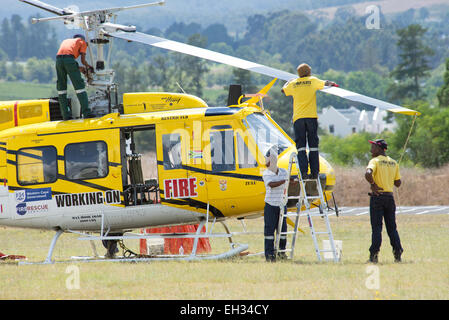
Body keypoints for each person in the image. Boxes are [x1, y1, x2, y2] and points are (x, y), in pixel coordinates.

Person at [282, 63, 337, 179]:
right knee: (313, 146)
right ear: (309, 72)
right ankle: (315, 172)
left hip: (298, 119)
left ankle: (303, 172)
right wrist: (333, 84)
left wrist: (289, 81)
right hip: (311, 117)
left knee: (301, 147)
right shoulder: (312, 80)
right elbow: (325, 83)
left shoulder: (294, 83)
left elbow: (283, 90)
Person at [365, 139, 403, 263]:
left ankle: (374, 256)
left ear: (380, 149)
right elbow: (398, 183)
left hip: (377, 197)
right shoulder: (394, 162)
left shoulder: (374, 161)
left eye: (373, 147)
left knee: (376, 228)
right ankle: (398, 253)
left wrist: (373, 184)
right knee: (392, 228)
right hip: (389, 198)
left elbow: (368, 173)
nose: (371, 150)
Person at [56, 34, 94, 120]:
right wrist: (89, 67)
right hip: (69, 60)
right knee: (79, 87)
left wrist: (78, 68)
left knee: (61, 89)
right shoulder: (82, 42)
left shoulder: (66, 41)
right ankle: (86, 113)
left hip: (58, 61)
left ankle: (66, 115)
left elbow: (65, 59)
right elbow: (83, 61)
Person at [262, 147, 289, 262]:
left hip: (282, 205)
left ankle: (282, 253)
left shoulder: (284, 172)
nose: (267, 163)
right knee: (269, 231)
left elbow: (288, 183)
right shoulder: (266, 173)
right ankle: (269, 255)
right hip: (270, 205)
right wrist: (284, 181)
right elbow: (271, 184)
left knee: (282, 231)